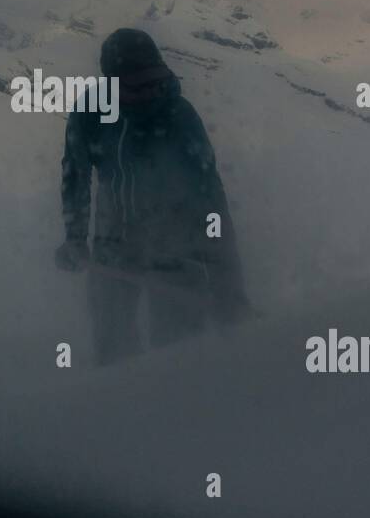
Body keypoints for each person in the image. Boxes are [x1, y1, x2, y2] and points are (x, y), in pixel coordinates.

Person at [55, 28, 250, 364]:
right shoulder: (90, 113)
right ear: (113, 85)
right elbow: (75, 176)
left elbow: (211, 201)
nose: (150, 91)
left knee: (179, 352)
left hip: (177, 244)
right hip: (113, 242)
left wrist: (227, 286)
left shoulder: (179, 117)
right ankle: (118, 407)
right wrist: (75, 239)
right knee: (112, 343)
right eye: (137, 85)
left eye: (154, 79)